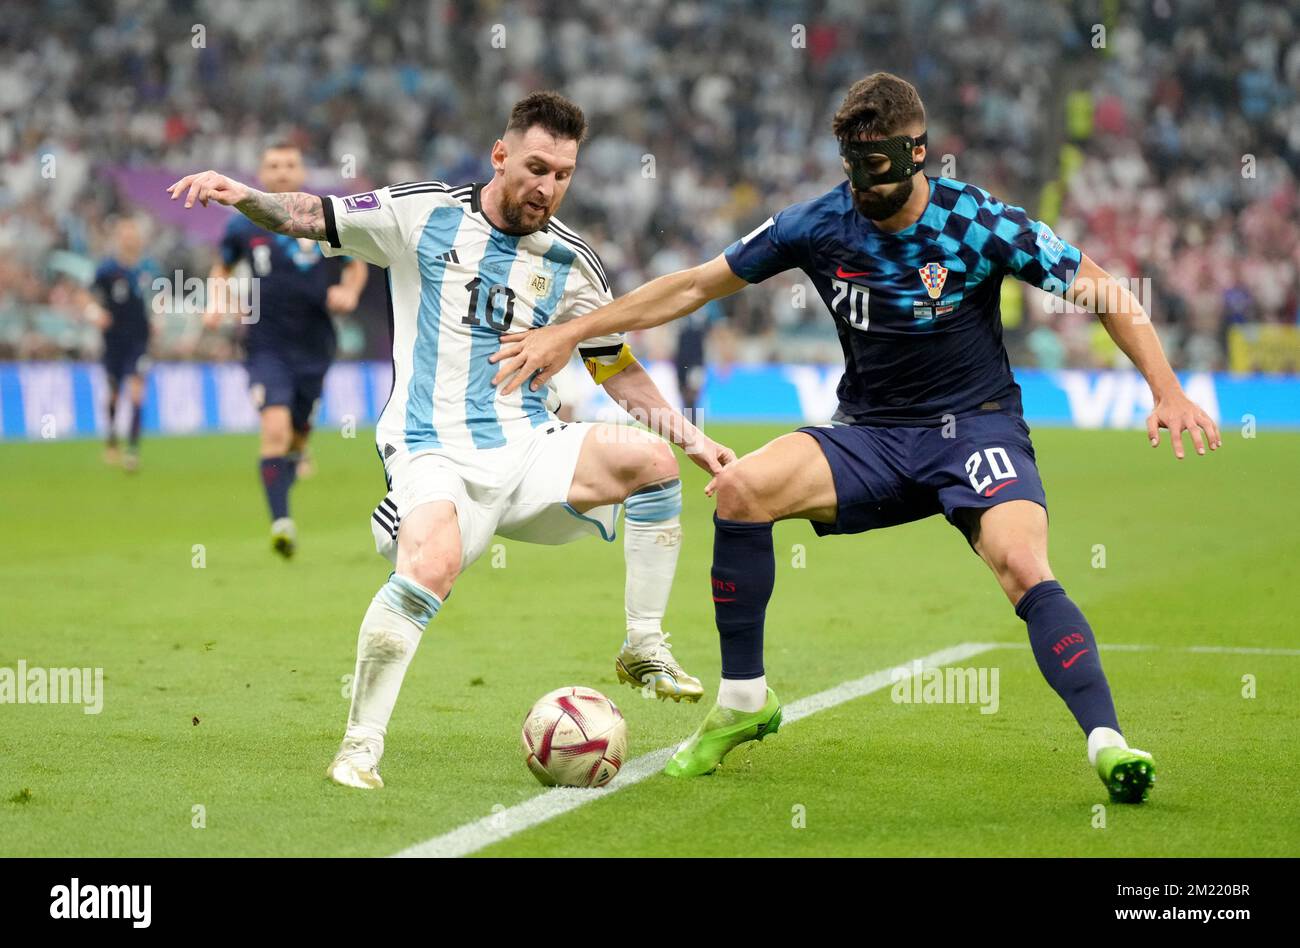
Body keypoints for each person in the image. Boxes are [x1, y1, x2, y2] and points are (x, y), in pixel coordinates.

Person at [487, 73, 1223, 803]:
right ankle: (745, 699)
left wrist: (1166, 389)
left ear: (918, 151)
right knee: (740, 489)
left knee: (1023, 565)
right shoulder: (818, 223)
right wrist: (574, 330)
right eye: (854, 168)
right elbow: (692, 286)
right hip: (870, 435)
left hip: (976, 430)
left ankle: (1107, 742)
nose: (866, 187)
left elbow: (1102, 289)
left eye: (880, 169)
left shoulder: (979, 223)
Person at [169, 91, 735, 789]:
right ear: (500, 156)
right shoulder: (423, 213)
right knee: (430, 566)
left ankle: (642, 643)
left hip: (529, 448)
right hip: (431, 446)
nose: (547, 186)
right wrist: (241, 196)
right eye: (535, 167)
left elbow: (614, 363)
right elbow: (313, 215)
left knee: (649, 462)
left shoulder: (568, 260)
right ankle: (359, 746)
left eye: (563, 174)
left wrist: (689, 439)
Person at [206, 142, 369, 557]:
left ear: (301, 172)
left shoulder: (324, 216)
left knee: (296, 438)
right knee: (274, 429)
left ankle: (294, 462)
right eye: (273, 165)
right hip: (266, 344)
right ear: (261, 173)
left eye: (289, 165)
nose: (281, 172)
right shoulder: (243, 225)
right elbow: (221, 268)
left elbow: (356, 263)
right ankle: (281, 521)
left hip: (316, 345)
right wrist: (216, 301)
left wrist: (349, 292)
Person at [89, 216, 155, 472]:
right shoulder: (106, 269)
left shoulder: (148, 268)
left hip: (139, 341)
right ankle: (112, 437)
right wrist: (95, 313)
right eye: (125, 233)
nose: (130, 238)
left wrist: (157, 316)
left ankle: (133, 450)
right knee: (114, 393)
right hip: (113, 341)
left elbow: (158, 296)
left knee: (137, 391)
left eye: (133, 233)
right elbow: (87, 295)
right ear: (119, 238)